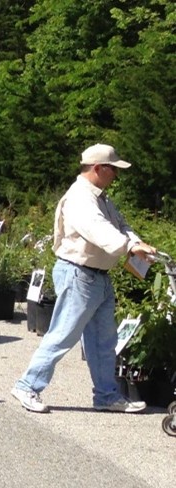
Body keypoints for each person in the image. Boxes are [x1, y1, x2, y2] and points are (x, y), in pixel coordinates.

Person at [11, 143, 158, 414]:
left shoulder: (101, 197)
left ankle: (106, 396)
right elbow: (96, 228)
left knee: (104, 341)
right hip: (79, 274)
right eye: (113, 169)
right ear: (98, 168)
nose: (116, 175)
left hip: (97, 277)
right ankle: (27, 385)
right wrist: (127, 247)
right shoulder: (80, 197)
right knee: (63, 334)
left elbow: (120, 225)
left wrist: (137, 242)